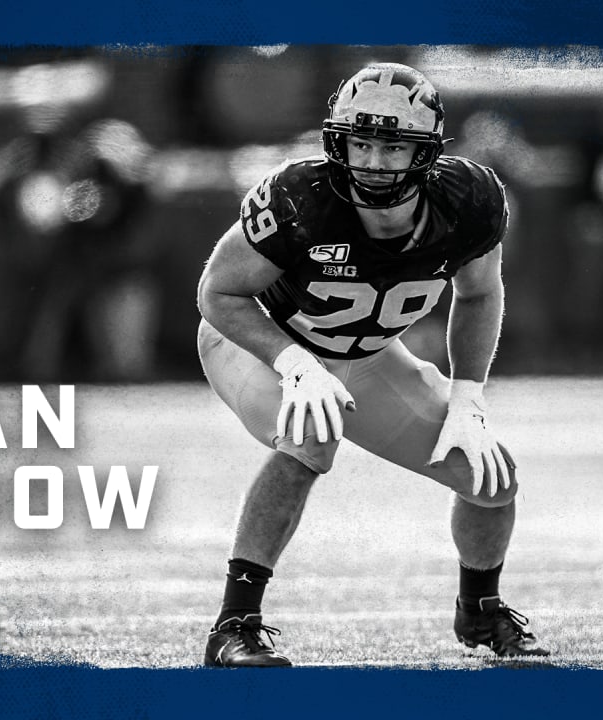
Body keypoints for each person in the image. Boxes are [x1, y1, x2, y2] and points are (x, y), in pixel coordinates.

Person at [195, 62, 549, 667]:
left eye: (392, 146)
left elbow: (481, 293)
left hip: (368, 355)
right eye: (361, 142)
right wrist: (295, 364)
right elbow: (218, 293)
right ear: (339, 142)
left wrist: (468, 393)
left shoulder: (470, 202)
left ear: (426, 154)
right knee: (311, 435)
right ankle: (234, 627)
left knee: (491, 478)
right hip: (263, 347)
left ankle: (481, 611)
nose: (373, 161)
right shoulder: (299, 198)